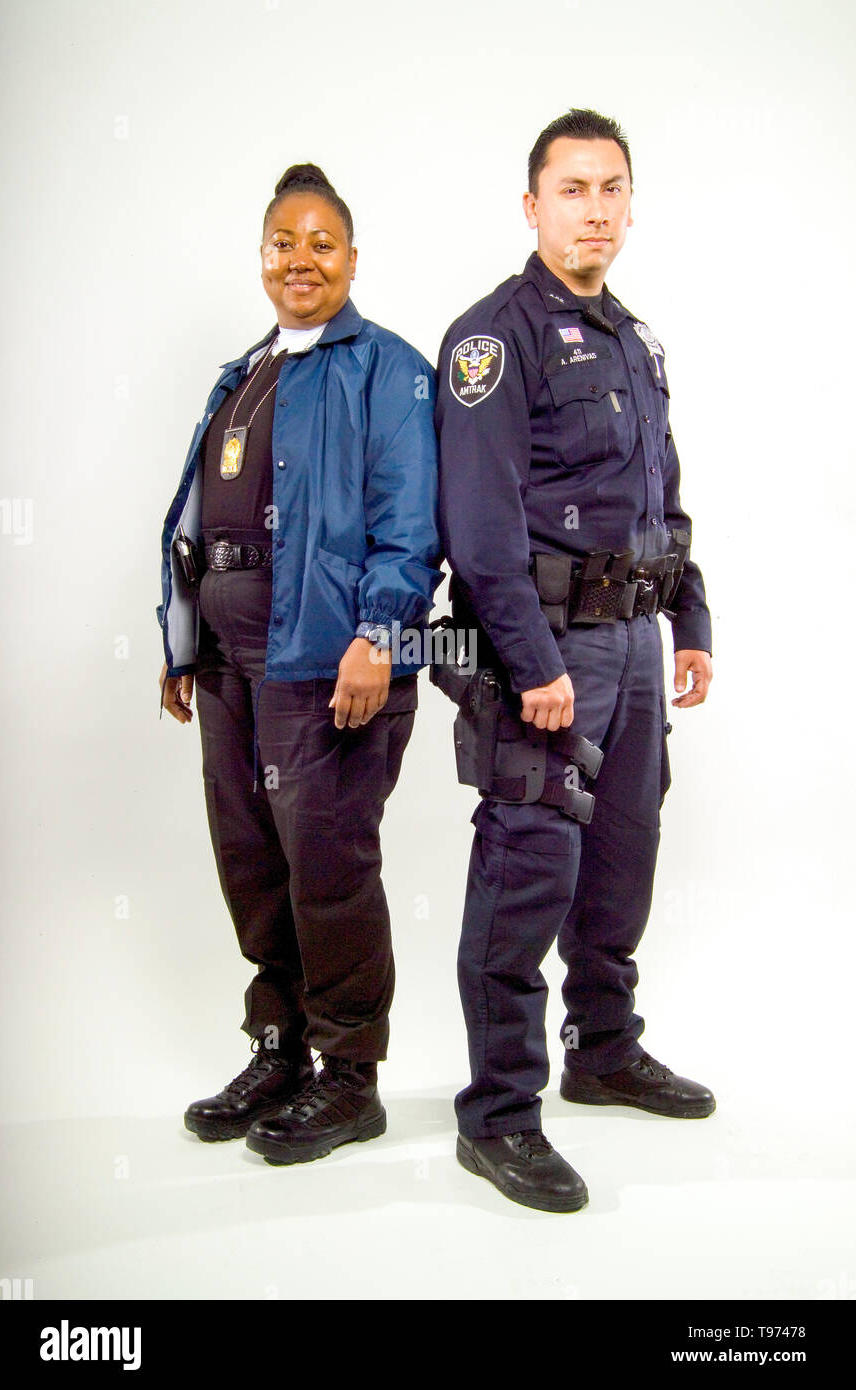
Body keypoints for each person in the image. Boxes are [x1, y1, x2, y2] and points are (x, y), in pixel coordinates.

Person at [434, 109, 715, 1214]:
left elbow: (662, 498)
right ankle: (497, 1115)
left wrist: (688, 618)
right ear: (531, 206)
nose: (593, 208)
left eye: (610, 189)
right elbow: (480, 524)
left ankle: (603, 1047)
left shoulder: (636, 340)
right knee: (525, 867)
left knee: (621, 857)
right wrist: (529, 658)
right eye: (571, 189)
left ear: (629, 204)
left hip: (634, 647)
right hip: (546, 651)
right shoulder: (489, 340)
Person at [157, 164, 441, 1166]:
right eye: (283, 241)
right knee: (251, 857)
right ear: (262, 257)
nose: (300, 258)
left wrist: (378, 633)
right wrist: (179, 640)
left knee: (325, 862)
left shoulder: (389, 369)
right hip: (232, 657)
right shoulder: (243, 373)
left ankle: (349, 1077)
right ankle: (277, 1050)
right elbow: (203, 524)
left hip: (325, 656)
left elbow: (411, 526)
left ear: (351, 259)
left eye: (321, 242)